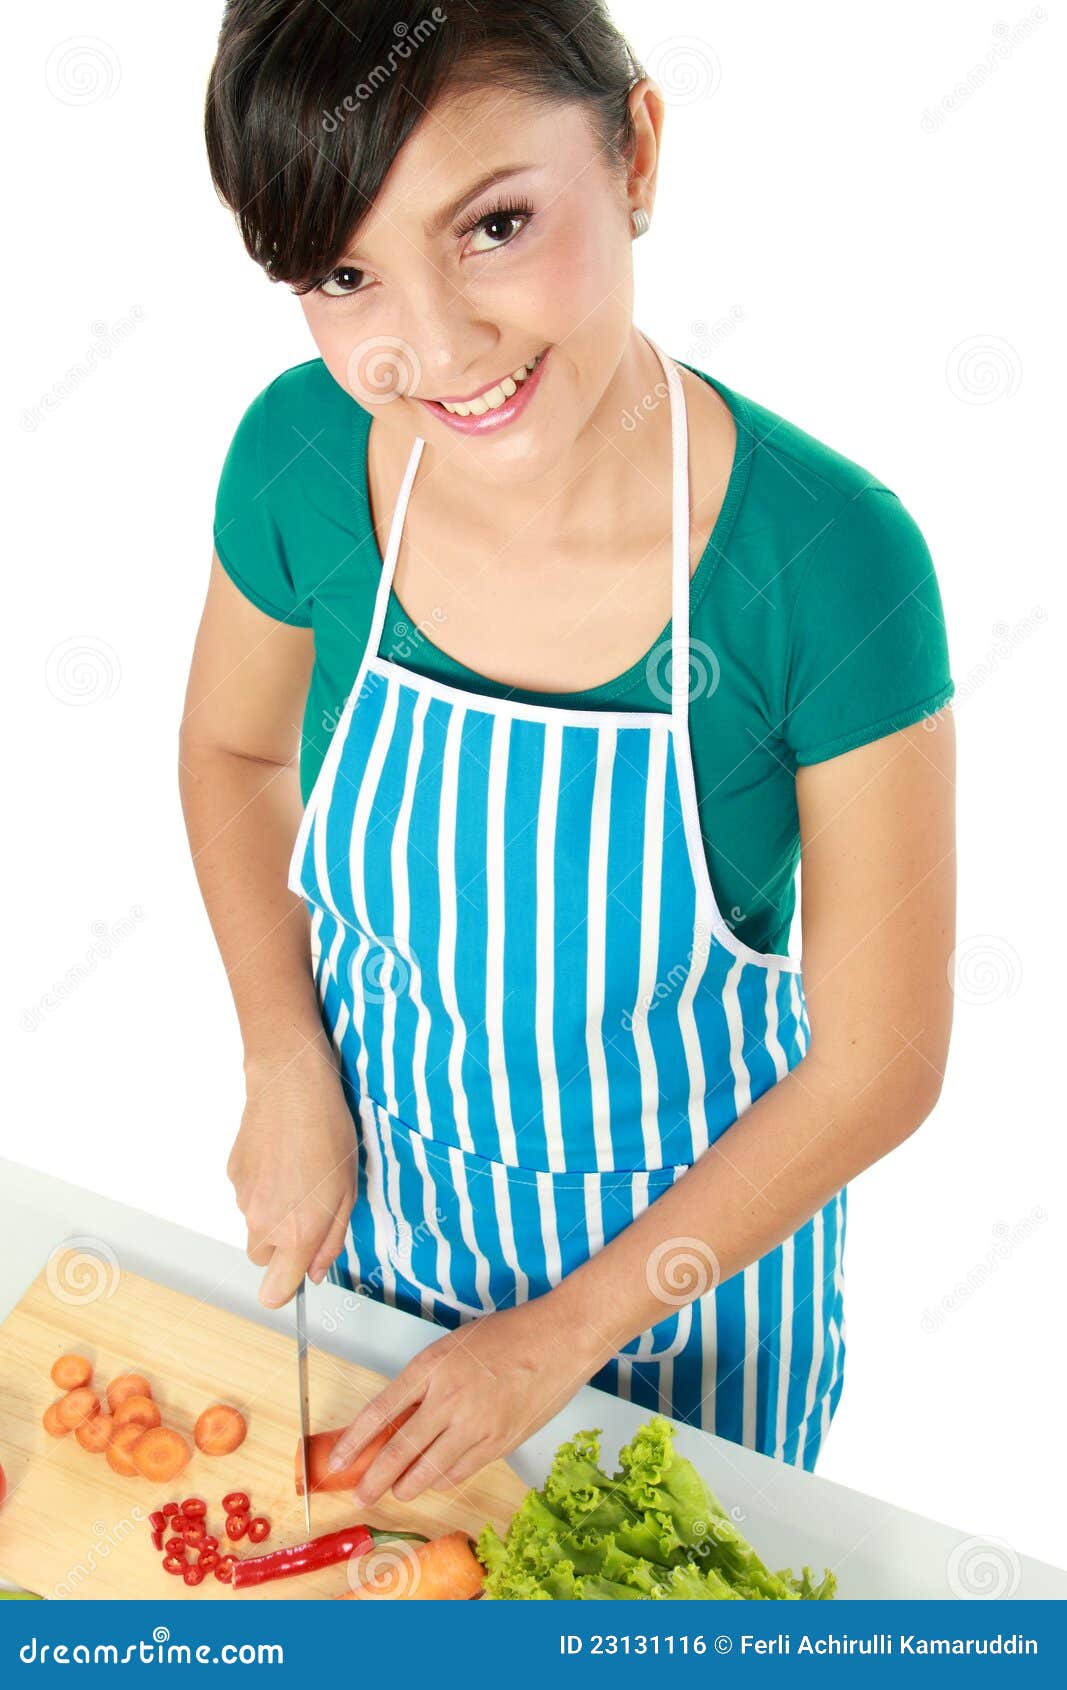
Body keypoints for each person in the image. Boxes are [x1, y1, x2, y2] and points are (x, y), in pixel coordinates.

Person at [181, 0, 956, 1508]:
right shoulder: (301, 460)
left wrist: (559, 1338)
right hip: (383, 1263)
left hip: (692, 1340)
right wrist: (283, 1058)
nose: (434, 347)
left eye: (495, 226)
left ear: (636, 151)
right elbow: (228, 749)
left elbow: (882, 1060)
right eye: (345, 275)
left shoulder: (826, 560)